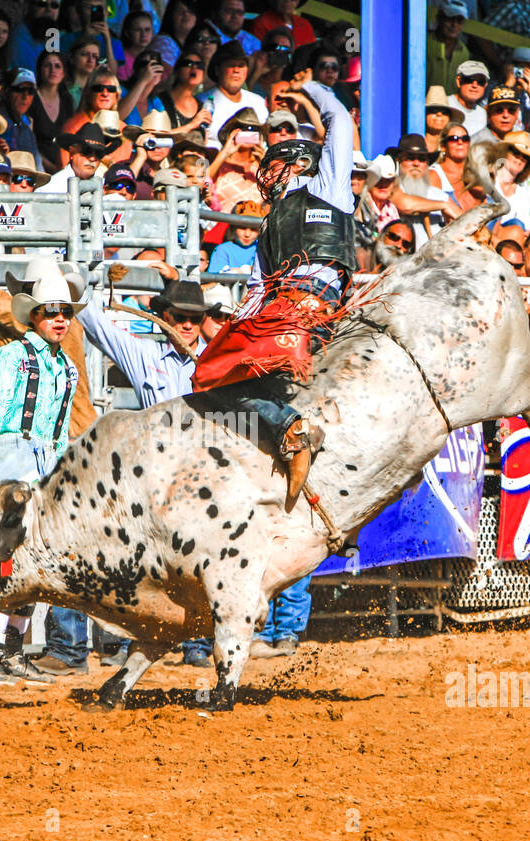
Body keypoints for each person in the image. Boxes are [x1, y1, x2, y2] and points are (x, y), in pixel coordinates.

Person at [192, 63, 353, 511]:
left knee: (211, 375)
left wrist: (309, 89)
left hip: (309, 304)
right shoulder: (268, 228)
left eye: (272, 165)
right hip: (285, 306)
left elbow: (339, 118)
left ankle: (291, 431)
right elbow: (256, 289)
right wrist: (229, 329)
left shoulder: (329, 186)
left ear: (297, 163)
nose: (265, 175)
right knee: (209, 371)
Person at [0, 260, 87, 681]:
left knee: (37, 558)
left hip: (44, 466)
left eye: (65, 312)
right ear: (33, 315)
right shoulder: (11, 359)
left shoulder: (65, 368)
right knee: (5, 556)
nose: (60, 319)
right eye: (51, 311)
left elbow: (59, 429)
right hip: (10, 460)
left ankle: (11, 649)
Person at [202, 41, 269, 150]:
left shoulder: (258, 102)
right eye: (231, 65)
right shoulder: (203, 102)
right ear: (218, 70)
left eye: (241, 65)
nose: (236, 70)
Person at [31, 50, 74, 173]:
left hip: (64, 167)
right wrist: (53, 168)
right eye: (47, 65)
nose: (52, 70)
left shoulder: (67, 99)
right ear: (39, 70)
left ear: (64, 72)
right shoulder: (31, 97)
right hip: (37, 166)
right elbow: (30, 143)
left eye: (57, 66)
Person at [428, 0, 472, 92]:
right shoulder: (425, 43)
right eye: (450, 18)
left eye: (459, 20)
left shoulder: (464, 52)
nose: (454, 25)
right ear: (439, 19)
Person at [448, 60, 489, 137]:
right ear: (458, 81)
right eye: (469, 80)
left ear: (485, 85)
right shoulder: (445, 105)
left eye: (480, 81)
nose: (474, 85)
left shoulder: (483, 114)